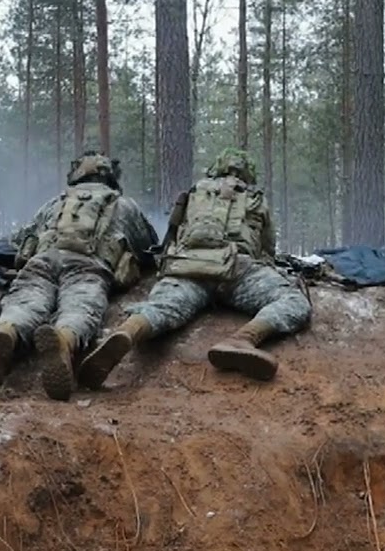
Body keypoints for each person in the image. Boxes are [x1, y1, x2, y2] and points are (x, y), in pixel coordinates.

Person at [78, 148, 310, 387]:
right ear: (248, 173)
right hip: (235, 269)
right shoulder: (255, 198)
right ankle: (242, 339)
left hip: (187, 266)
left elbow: (175, 235)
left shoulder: (194, 192)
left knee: (164, 307)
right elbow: (266, 250)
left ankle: (129, 330)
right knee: (294, 302)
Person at [0, 152, 159, 401]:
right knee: (81, 308)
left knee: (27, 301)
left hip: (42, 261)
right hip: (87, 267)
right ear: (110, 178)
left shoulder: (55, 203)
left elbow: (20, 240)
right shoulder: (124, 205)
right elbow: (150, 246)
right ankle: (65, 339)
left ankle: (7, 331)